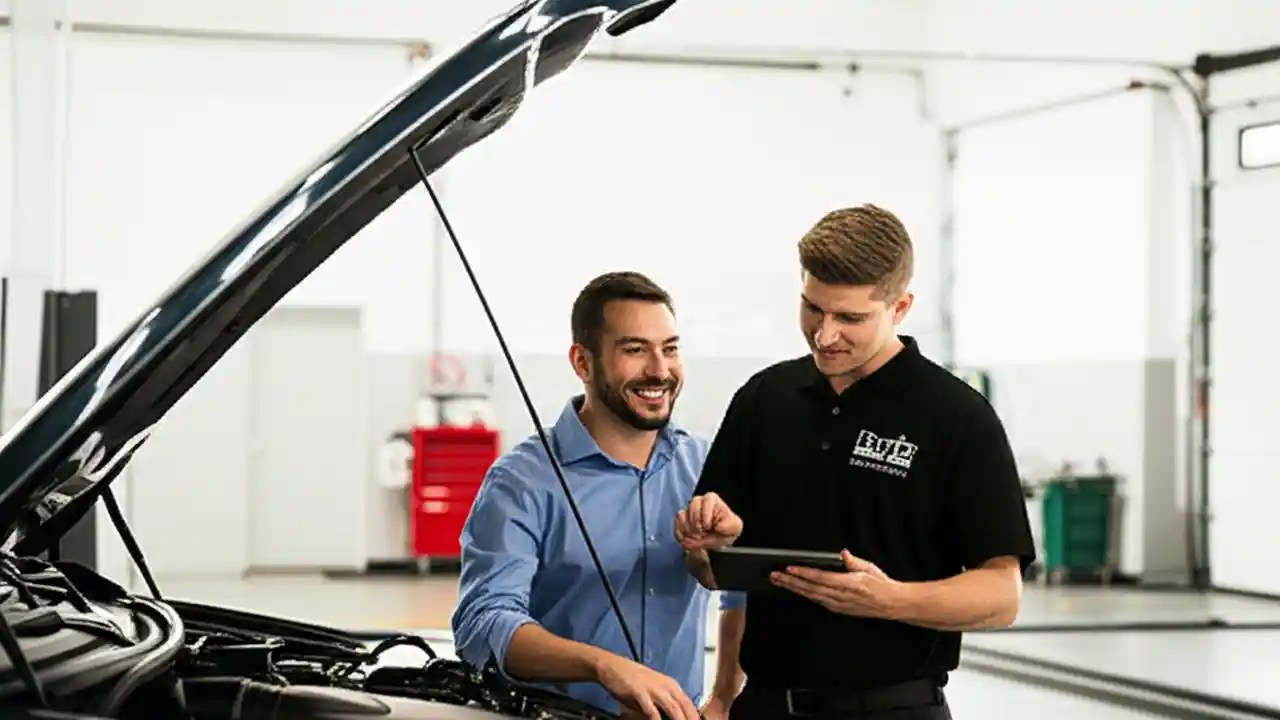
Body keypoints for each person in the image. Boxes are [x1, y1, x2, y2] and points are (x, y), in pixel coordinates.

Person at [675, 204, 1036, 719]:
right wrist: (710, 546)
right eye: (812, 309)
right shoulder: (764, 399)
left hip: (894, 708)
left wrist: (889, 600)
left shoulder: (957, 417)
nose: (825, 335)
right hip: (767, 706)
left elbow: (1002, 596)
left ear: (901, 307)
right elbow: (710, 571)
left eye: (850, 318)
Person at [451, 270, 745, 720]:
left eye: (670, 349)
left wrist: (723, 697)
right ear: (583, 363)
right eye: (635, 350)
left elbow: (743, 593)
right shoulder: (523, 482)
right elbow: (483, 625)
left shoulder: (706, 466)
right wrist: (603, 667)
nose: (660, 371)